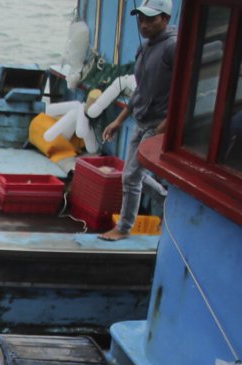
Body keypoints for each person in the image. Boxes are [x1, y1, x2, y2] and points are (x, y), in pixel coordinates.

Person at [100, 0, 176, 242]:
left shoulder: (173, 47)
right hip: (140, 121)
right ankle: (164, 198)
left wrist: (163, 127)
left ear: (165, 19)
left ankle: (123, 228)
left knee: (131, 176)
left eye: (151, 19)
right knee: (132, 173)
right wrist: (120, 120)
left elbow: (185, 91)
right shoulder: (144, 47)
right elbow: (140, 91)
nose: (143, 24)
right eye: (141, 19)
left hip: (157, 125)